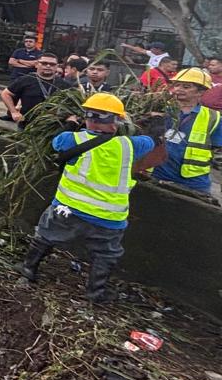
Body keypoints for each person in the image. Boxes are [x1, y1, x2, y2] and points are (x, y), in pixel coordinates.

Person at [16, 93, 156, 303]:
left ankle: (28, 268)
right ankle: (96, 292)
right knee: (106, 254)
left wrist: (71, 124)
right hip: (108, 217)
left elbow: (56, 142)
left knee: (46, 235)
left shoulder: (72, 139)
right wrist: (134, 123)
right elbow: (149, 141)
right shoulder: (129, 145)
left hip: (68, 208)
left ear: (86, 118)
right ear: (116, 121)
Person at [150, 67, 222, 195]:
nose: (178, 89)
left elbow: (219, 156)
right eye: (176, 85)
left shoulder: (213, 118)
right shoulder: (159, 109)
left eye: (186, 87)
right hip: (155, 174)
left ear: (201, 92)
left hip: (192, 182)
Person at [0, 51, 70, 128]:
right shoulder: (26, 79)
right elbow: (5, 94)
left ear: (56, 66)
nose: (48, 66)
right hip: (27, 125)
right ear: (36, 64)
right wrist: (13, 112)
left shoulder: (64, 85)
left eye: (52, 64)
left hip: (52, 126)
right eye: (44, 63)